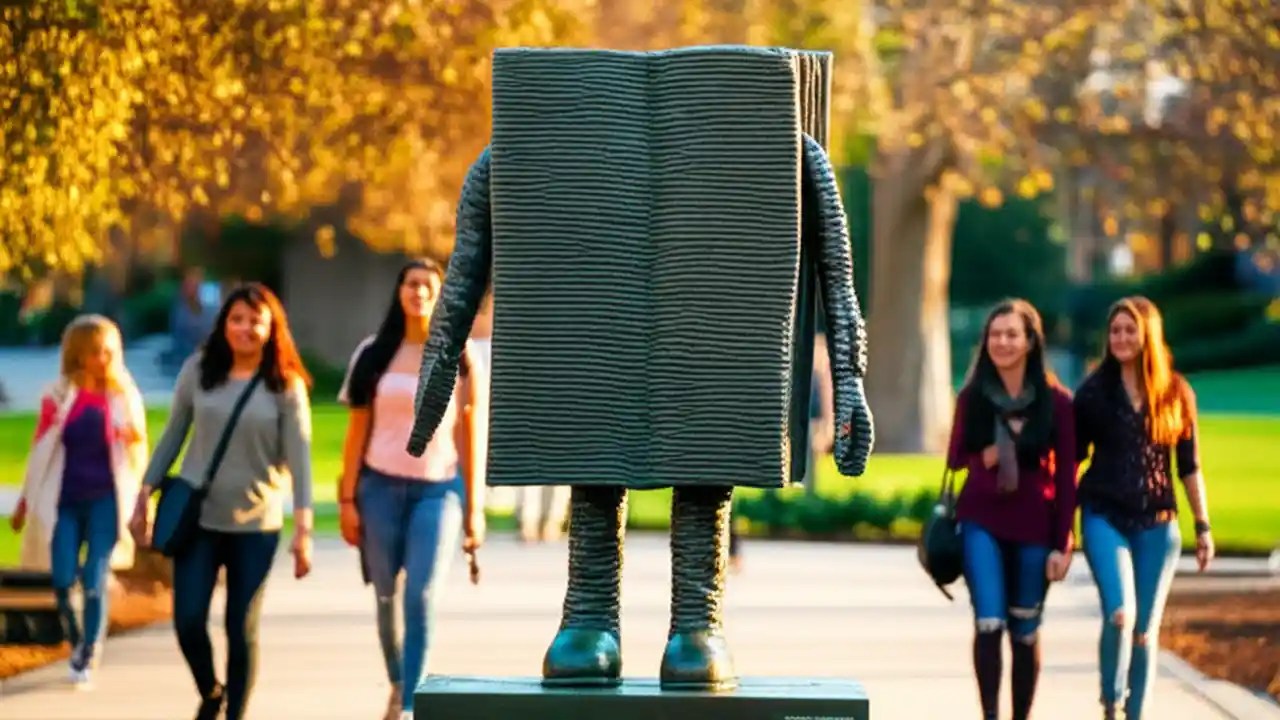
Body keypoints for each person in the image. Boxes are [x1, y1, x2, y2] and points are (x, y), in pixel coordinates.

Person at [130, 283, 315, 720]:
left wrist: (303, 530)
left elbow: (302, 461)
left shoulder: (285, 386)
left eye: (256, 321)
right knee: (189, 620)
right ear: (224, 324)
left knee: (240, 627)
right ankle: (212, 692)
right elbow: (174, 433)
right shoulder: (199, 369)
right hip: (199, 518)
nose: (245, 328)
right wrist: (145, 491)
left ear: (272, 329)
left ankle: (236, 715)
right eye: (237, 319)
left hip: (257, 524)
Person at [337, 258, 486, 720]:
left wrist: (475, 507)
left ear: (441, 294)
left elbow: (470, 433)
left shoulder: (459, 356)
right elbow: (356, 431)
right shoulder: (373, 353)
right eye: (411, 283)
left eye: (428, 285)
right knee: (386, 592)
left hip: (438, 490)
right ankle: (399, 677)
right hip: (378, 486)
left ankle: (408, 704)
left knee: (420, 592)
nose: (419, 292)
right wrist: (346, 499)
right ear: (399, 292)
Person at [1074, 296, 1214, 720]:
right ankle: (1111, 702)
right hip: (1103, 514)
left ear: (1147, 335)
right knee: (1120, 613)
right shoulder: (1094, 392)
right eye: (1115, 330)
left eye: (1129, 330)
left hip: (1158, 522)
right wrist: (1061, 526)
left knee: (1144, 631)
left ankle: (1136, 713)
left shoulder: (1175, 393)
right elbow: (1072, 460)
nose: (1120, 338)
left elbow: (1189, 467)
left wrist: (1203, 526)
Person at [945, 299, 1078, 720]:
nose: (1002, 342)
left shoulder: (1056, 402)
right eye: (995, 334)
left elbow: (1067, 479)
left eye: (1011, 334)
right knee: (988, 621)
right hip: (981, 519)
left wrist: (1063, 543)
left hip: (1036, 527)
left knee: (1024, 630)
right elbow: (953, 459)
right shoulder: (973, 395)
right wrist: (982, 455)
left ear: (1029, 341)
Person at [11, 315, 148, 688]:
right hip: (66, 501)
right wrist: (25, 501)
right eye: (94, 352)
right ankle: (76, 640)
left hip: (106, 499)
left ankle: (89, 651)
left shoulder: (122, 396)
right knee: (61, 579)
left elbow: (139, 449)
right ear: (76, 355)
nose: (102, 359)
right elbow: (40, 449)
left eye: (108, 352)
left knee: (94, 577)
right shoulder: (57, 395)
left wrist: (131, 440)